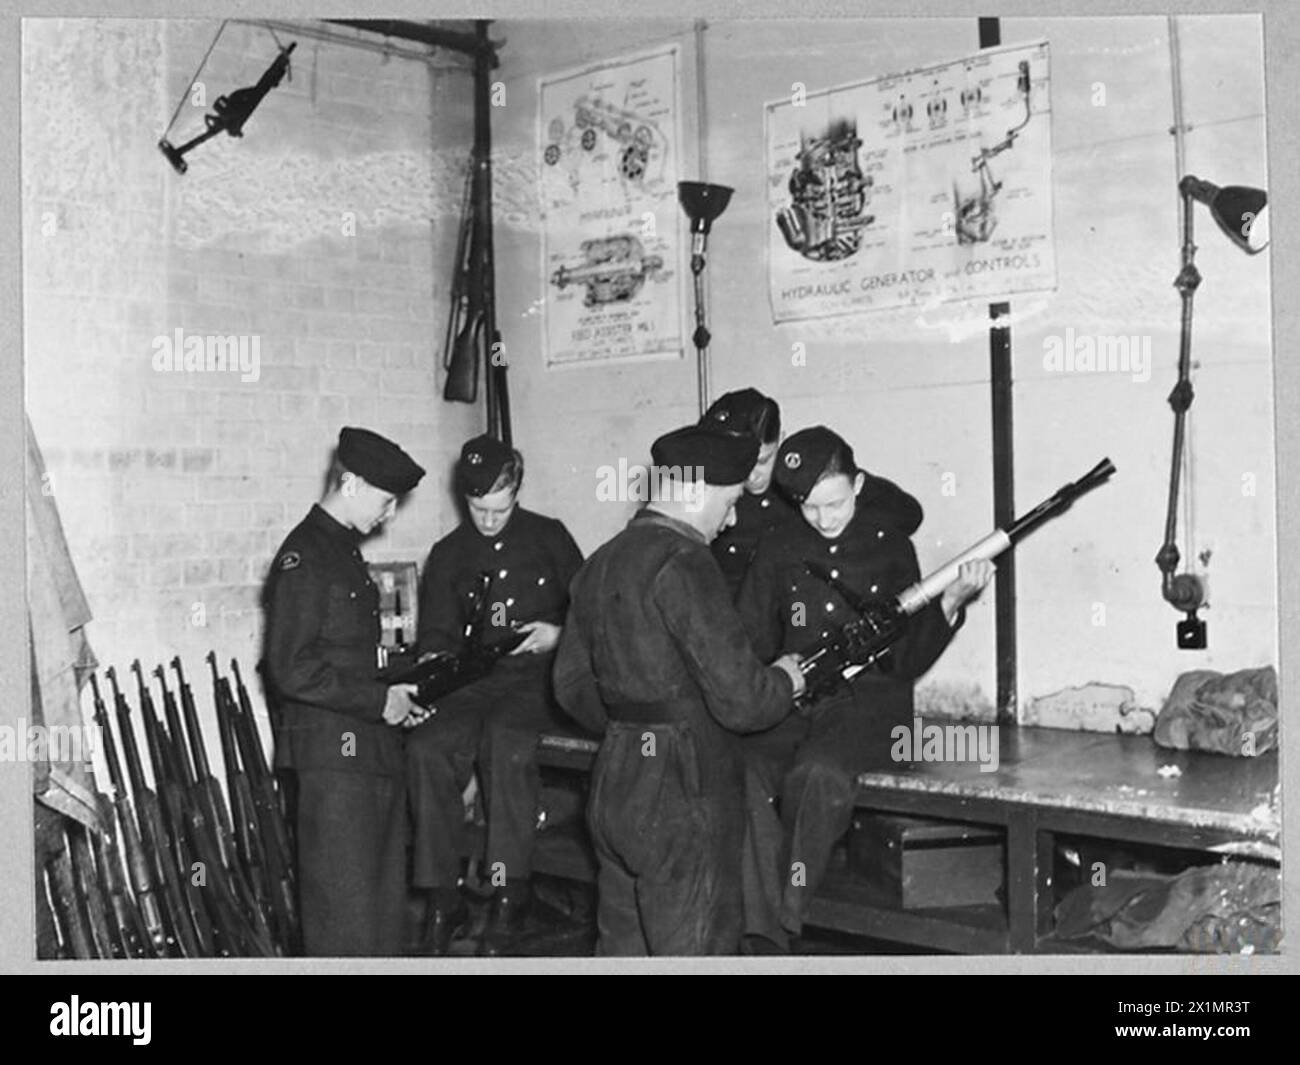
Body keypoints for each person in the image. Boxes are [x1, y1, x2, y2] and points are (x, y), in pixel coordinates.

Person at [553, 423, 807, 955]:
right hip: (684, 796)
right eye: (730, 500)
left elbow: (570, 685)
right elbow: (744, 702)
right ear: (694, 491)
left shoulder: (601, 559)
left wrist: (636, 726)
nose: (732, 516)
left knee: (622, 949)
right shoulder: (687, 561)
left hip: (615, 784)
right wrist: (786, 679)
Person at [737, 426, 992, 948]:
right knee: (744, 770)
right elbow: (753, 636)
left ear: (858, 484)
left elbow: (904, 661)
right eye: (809, 507)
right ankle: (753, 920)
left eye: (835, 503)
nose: (824, 519)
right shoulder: (778, 547)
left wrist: (949, 603)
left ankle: (781, 921)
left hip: (869, 706)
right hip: (793, 700)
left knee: (818, 775)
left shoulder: (889, 546)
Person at [405, 434, 584, 956]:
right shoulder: (448, 553)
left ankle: (509, 895)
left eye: (499, 509)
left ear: (517, 490)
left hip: (535, 678)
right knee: (426, 748)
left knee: (507, 745)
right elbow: (435, 635)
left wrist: (559, 633)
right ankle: (442, 898)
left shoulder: (549, 538)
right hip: (471, 681)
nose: (488, 520)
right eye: (478, 509)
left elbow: (593, 615)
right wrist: (435, 660)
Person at [261, 426, 425, 956]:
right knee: (344, 918)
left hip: (365, 753)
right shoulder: (305, 556)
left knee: (378, 912)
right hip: (333, 764)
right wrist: (379, 701)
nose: (388, 514)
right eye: (385, 500)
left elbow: (344, 656)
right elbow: (291, 667)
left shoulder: (340, 550)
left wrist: (397, 693)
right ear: (350, 483)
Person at [699, 388, 800, 599]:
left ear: (781, 439)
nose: (753, 475)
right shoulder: (705, 499)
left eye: (763, 461)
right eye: (742, 464)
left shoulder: (801, 491)